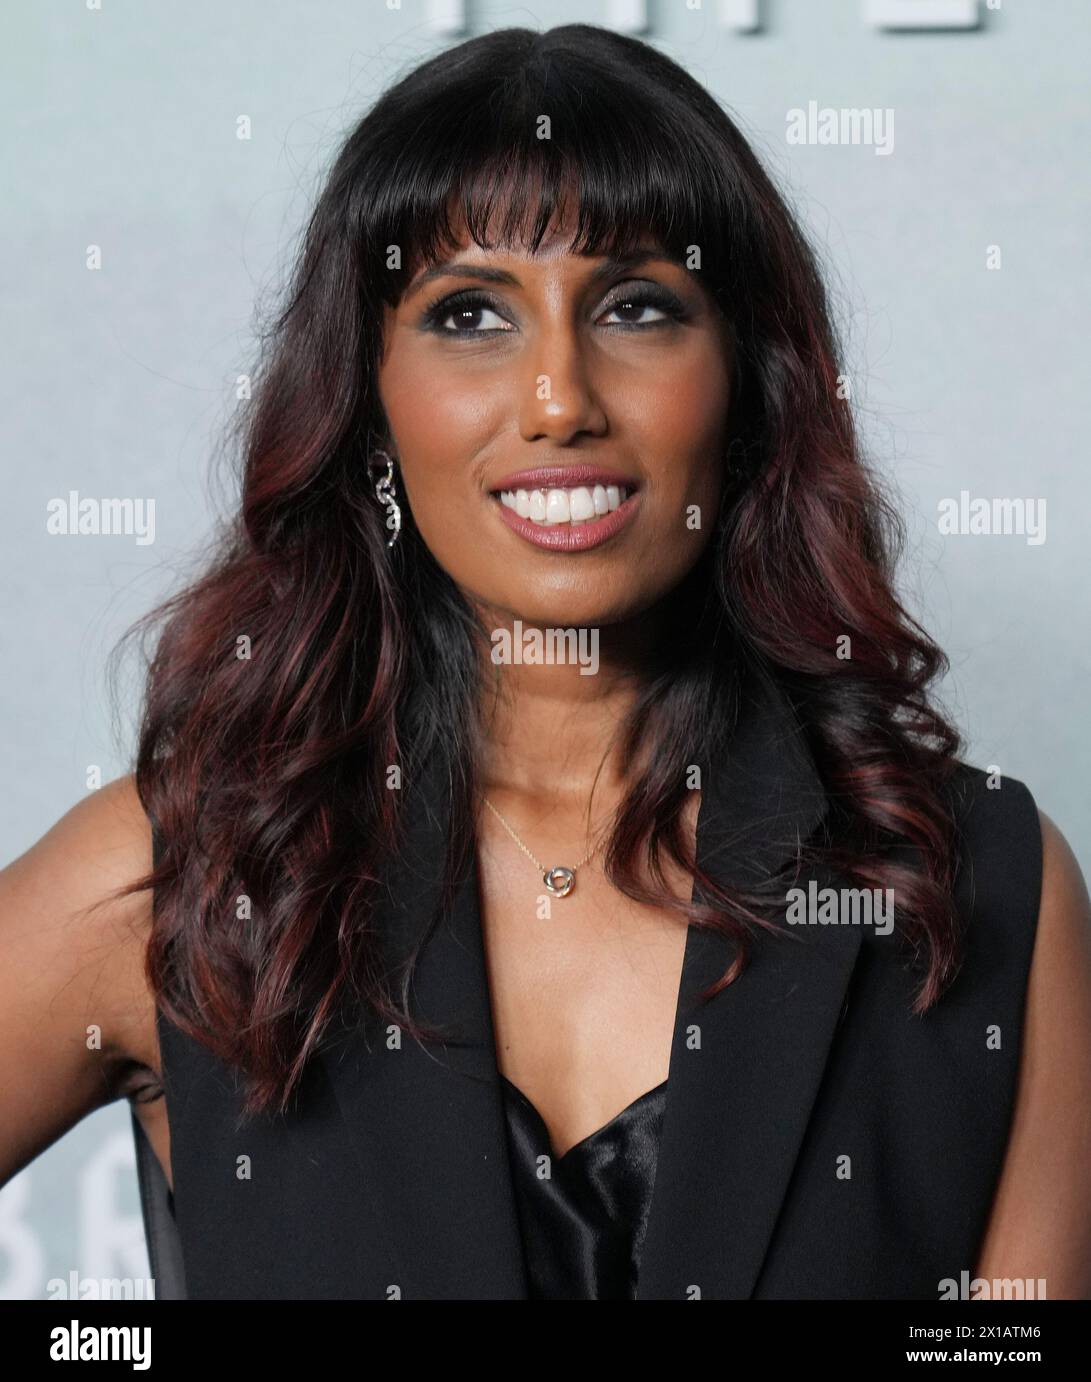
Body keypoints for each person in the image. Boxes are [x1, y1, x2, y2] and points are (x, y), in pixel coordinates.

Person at [2, 24, 1089, 1301]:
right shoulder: (183, 868)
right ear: (367, 399)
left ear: (747, 381)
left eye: (637, 305)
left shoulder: (976, 885)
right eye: (468, 313)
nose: (558, 396)